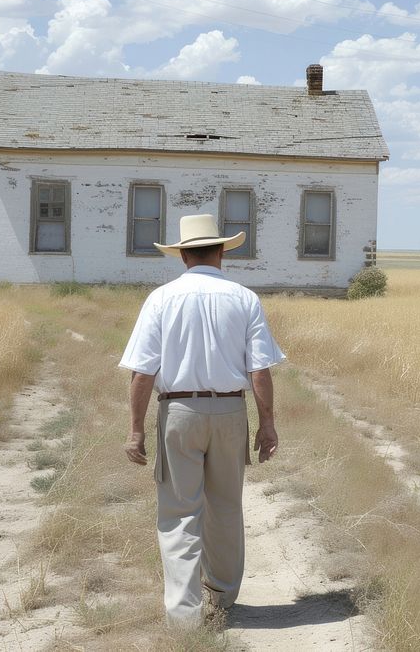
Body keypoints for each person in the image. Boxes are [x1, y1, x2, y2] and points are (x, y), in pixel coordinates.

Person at [118, 213, 285, 627]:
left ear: (182, 256)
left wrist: (136, 429)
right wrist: (267, 425)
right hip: (230, 411)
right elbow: (260, 370)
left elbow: (143, 372)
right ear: (222, 251)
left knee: (178, 512)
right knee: (225, 507)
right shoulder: (244, 298)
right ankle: (223, 600)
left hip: (179, 412)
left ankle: (184, 615)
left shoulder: (161, 299)